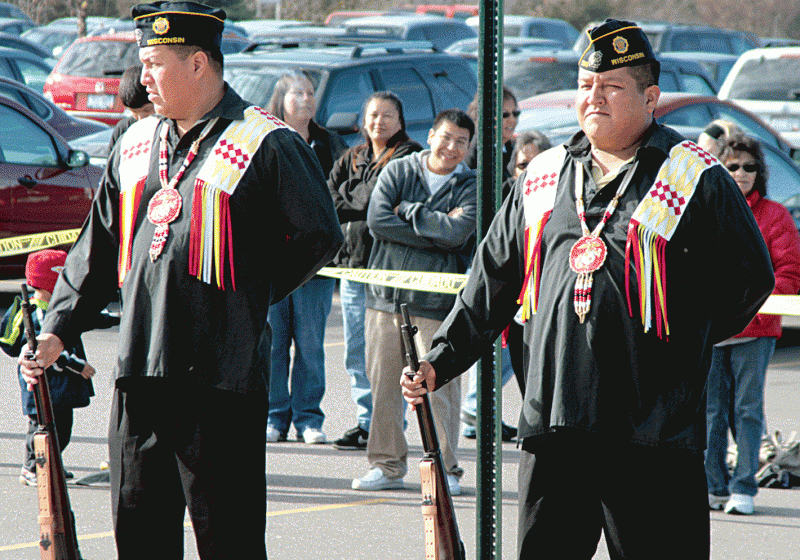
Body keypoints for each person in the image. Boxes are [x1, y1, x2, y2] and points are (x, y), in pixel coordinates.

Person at [401, 19, 774, 559]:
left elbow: (750, 278)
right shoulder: (544, 174)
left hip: (651, 432)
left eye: (611, 86)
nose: (593, 97)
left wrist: (679, 349)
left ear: (650, 98)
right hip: (555, 425)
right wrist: (441, 358)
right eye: (585, 85)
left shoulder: (693, 175)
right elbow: (492, 281)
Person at [18, 2, 342, 559]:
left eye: (154, 64)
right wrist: (58, 327)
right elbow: (96, 248)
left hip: (222, 381)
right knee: (139, 533)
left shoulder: (265, 142)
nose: (142, 77)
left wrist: (248, 295)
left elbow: (319, 235)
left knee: (229, 540)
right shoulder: (135, 142)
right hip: (140, 374)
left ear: (198, 64)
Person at [352, 108, 476, 495]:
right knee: (384, 387)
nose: (451, 147)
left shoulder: (471, 185)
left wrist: (410, 211)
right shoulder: (399, 170)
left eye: (461, 142)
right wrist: (437, 226)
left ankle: (445, 469)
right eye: (445, 137)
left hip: (436, 303)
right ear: (431, 135)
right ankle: (386, 466)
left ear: (469, 147)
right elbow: (378, 222)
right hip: (385, 298)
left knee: (438, 389)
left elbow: (458, 234)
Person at [706, 134, 800, 515]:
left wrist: (751, 309)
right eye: (733, 166)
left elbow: (789, 272)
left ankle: (744, 487)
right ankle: (713, 487)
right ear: (721, 170)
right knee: (711, 412)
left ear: (759, 172)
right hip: (713, 332)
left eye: (749, 167)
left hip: (755, 333)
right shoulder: (708, 209)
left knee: (747, 410)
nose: (742, 173)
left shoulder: (775, 215)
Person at [327, 91, 422, 450]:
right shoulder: (351, 156)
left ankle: (387, 425)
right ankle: (367, 422)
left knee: (386, 354)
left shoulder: (408, 155)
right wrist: (355, 201)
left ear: (400, 121)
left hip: (386, 270)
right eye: (372, 115)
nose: (378, 122)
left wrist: (350, 199)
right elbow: (327, 197)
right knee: (356, 351)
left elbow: (376, 201)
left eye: (386, 115)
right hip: (352, 266)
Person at [264, 72, 348, 444]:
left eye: (311, 93)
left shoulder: (330, 144)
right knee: (273, 344)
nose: (306, 99)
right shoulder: (264, 138)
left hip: (315, 264)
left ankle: (308, 418)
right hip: (272, 264)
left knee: (311, 346)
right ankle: (274, 416)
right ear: (281, 99)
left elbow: (342, 196)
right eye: (298, 92)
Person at [0, 250, 95, 486]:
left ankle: (51, 463)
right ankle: (32, 468)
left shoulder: (52, 309)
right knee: (42, 427)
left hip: (59, 387)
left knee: (61, 428)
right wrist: (78, 365)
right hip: (45, 383)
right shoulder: (39, 312)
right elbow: (46, 350)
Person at [108, 64, 156, 150]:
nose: (141, 118)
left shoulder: (170, 128)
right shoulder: (123, 129)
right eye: (134, 112)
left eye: (147, 110)